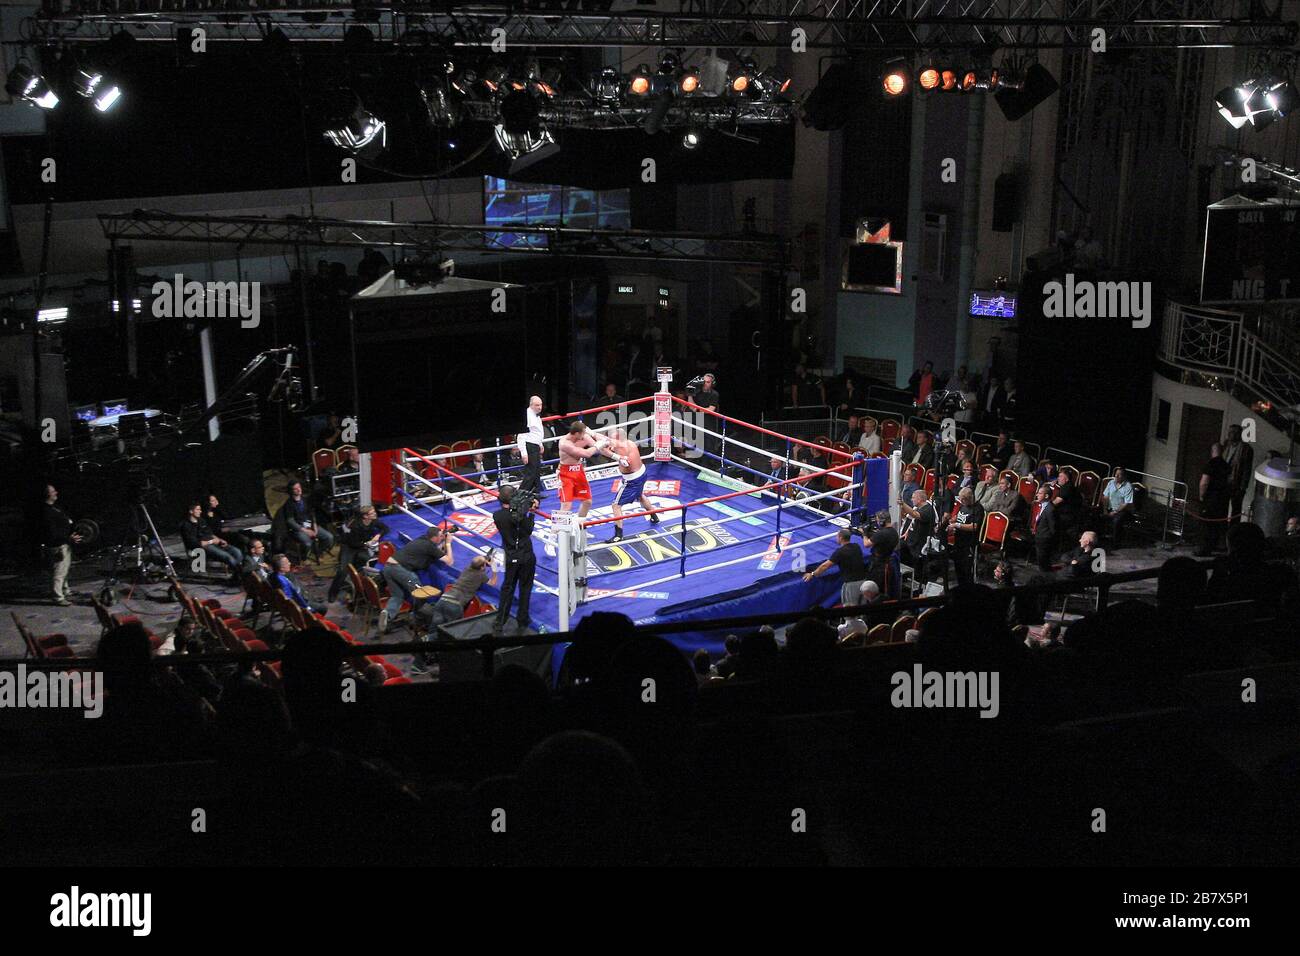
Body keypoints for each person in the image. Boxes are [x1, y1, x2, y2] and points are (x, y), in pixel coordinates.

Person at [379, 525, 455, 633]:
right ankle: (416, 619)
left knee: (397, 596)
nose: (442, 537)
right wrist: (448, 543)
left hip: (388, 567)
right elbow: (449, 561)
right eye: (440, 536)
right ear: (434, 537)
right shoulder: (429, 546)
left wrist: (442, 541)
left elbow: (433, 551)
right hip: (400, 570)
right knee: (420, 594)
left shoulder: (422, 539)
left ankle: (388, 613)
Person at [493, 487, 538, 636]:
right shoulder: (519, 516)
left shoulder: (497, 515)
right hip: (525, 556)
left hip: (511, 556)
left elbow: (512, 519)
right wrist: (530, 512)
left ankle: (500, 622)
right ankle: (522, 619)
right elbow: (528, 529)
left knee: (508, 588)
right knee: (525, 588)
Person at [604, 429, 661, 541]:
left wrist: (609, 450)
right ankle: (654, 516)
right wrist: (591, 433)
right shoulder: (630, 443)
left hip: (632, 481)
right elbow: (607, 441)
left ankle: (618, 535)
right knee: (640, 495)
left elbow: (603, 450)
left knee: (616, 505)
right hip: (642, 474)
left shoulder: (621, 448)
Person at [328, 503, 389, 603]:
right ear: (365, 516)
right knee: (343, 570)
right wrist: (367, 544)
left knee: (368, 564)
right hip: (349, 547)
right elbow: (353, 543)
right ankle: (332, 593)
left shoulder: (373, 521)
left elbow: (385, 528)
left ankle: (364, 589)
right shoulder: (355, 526)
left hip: (361, 546)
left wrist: (378, 535)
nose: (375, 514)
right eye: (372, 513)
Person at [802, 528, 867, 606]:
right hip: (864, 581)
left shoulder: (840, 552)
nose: (836, 538)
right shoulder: (857, 546)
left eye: (837, 536)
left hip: (852, 584)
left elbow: (825, 566)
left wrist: (812, 574)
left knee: (851, 609)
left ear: (841, 538)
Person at [556, 420, 607, 520]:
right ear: (577, 433)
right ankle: (554, 534)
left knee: (587, 501)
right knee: (566, 506)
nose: (585, 435)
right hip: (565, 473)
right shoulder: (564, 443)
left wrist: (617, 457)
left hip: (579, 471)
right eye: (583, 433)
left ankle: (580, 527)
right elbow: (587, 454)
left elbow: (602, 444)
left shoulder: (583, 436)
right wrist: (598, 445)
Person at [274, 480, 335, 561]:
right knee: (308, 543)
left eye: (299, 487)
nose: (299, 490)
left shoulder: (305, 499)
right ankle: (304, 556)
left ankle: (318, 552)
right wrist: (306, 531)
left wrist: (315, 526)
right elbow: (290, 521)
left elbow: (311, 514)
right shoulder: (289, 504)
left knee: (329, 537)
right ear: (291, 491)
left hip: (310, 525)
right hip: (298, 529)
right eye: (296, 489)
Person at [41, 484, 81, 606]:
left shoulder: (54, 508)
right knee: (59, 572)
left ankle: (65, 590)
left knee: (64, 569)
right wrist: (68, 538)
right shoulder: (46, 511)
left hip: (64, 543)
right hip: (57, 545)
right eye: (53, 491)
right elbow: (52, 532)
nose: (56, 492)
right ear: (47, 494)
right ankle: (58, 597)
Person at [180, 502, 243, 576]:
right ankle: (240, 574)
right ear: (191, 511)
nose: (200, 511)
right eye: (198, 509)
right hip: (202, 547)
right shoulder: (185, 526)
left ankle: (236, 570)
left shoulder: (201, 521)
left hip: (213, 542)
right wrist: (212, 541)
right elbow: (196, 543)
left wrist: (219, 539)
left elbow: (210, 533)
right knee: (227, 557)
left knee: (237, 552)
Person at [898, 488, 941, 585]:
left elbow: (915, 515)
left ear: (920, 499)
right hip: (912, 541)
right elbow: (912, 520)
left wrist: (902, 504)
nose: (912, 499)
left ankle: (920, 587)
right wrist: (907, 532)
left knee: (919, 568)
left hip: (920, 544)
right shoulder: (919, 508)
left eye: (913, 498)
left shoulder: (928, 509)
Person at [1196, 443, 1232, 557]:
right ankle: (1214, 546)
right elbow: (1230, 482)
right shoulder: (1226, 465)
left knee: (1206, 524)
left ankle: (1204, 549)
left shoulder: (1210, 464)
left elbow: (1204, 482)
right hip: (1222, 500)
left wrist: (1201, 496)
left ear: (1212, 451)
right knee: (1217, 524)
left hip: (1210, 499)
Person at [948, 487, 984, 587]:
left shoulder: (978, 509)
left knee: (967, 570)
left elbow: (974, 526)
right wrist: (952, 520)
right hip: (958, 541)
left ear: (968, 498)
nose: (961, 502)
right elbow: (958, 517)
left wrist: (957, 525)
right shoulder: (962, 506)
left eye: (963, 500)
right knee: (958, 566)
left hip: (969, 543)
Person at [1222, 424, 1254, 521]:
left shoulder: (1246, 449)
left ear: (1239, 434)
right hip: (1224, 481)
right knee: (1222, 507)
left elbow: (1247, 470)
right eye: (1230, 432)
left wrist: (1243, 487)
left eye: (1234, 433)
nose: (1231, 435)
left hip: (1237, 483)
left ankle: (1233, 531)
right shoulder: (1226, 444)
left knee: (1236, 509)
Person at [516, 394, 546, 497]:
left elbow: (536, 431)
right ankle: (519, 495)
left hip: (535, 444)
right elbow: (521, 435)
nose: (540, 407)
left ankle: (535, 493)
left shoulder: (535, 415)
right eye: (537, 405)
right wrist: (524, 453)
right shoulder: (527, 416)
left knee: (537, 469)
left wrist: (540, 443)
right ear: (531, 405)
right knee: (531, 472)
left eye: (541, 405)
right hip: (529, 446)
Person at [1099, 467, 1136, 549]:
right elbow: (1105, 497)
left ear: (1124, 476)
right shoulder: (1111, 483)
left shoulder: (1128, 486)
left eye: (1119, 475)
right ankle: (1100, 539)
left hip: (1123, 510)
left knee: (1117, 521)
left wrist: (1115, 511)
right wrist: (1105, 510)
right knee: (1098, 515)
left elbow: (1126, 503)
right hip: (1110, 508)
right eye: (1116, 474)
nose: (1116, 476)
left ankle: (1115, 543)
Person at [1032, 484, 1057, 572]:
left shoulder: (1050, 509)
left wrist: (1047, 539)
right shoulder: (1042, 506)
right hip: (1039, 537)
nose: (1037, 495)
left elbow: (1053, 528)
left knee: (1044, 562)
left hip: (1045, 540)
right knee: (1040, 561)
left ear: (1046, 496)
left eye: (1040, 493)